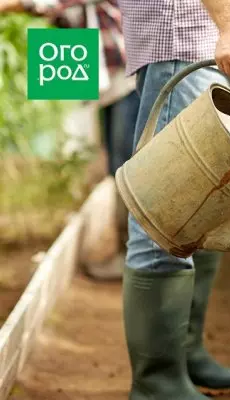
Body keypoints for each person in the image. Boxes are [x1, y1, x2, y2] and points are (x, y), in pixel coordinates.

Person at [116, 0, 230, 400]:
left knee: (208, 208)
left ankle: (184, 355)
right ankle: (157, 384)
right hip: (190, 35)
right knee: (167, 216)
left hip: (223, 40)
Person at [0, 0, 140, 281]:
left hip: (129, 77)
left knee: (130, 165)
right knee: (117, 165)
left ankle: (136, 258)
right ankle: (131, 254)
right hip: (112, 82)